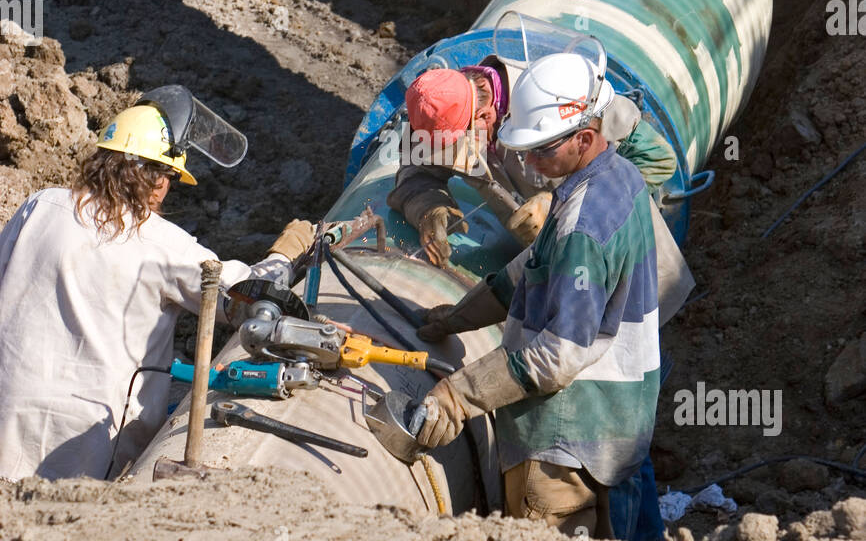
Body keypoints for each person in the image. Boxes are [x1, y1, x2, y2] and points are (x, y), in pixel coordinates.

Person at [0, 87, 313, 482]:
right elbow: (248, 296)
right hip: (86, 436)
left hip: (6, 404)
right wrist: (285, 255)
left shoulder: (40, 206)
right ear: (158, 181)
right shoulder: (165, 245)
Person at [414, 49, 660, 539]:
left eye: (540, 150)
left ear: (586, 137)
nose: (525, 162)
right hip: (618, 425)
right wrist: (457, 318)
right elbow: (530, 271)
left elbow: (556, 357)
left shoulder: (580, 228)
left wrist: (458, 396)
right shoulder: (614, 179)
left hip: (561, 446)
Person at [388, 54, 679, 267]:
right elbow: (416, 173)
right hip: (544, 259)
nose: (452, 152)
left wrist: (561, 202)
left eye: (456, 144)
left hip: (608, 254)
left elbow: (657, 159)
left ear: (485, 116)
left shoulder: (560, 95)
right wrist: (429, 211)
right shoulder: (438, 109)